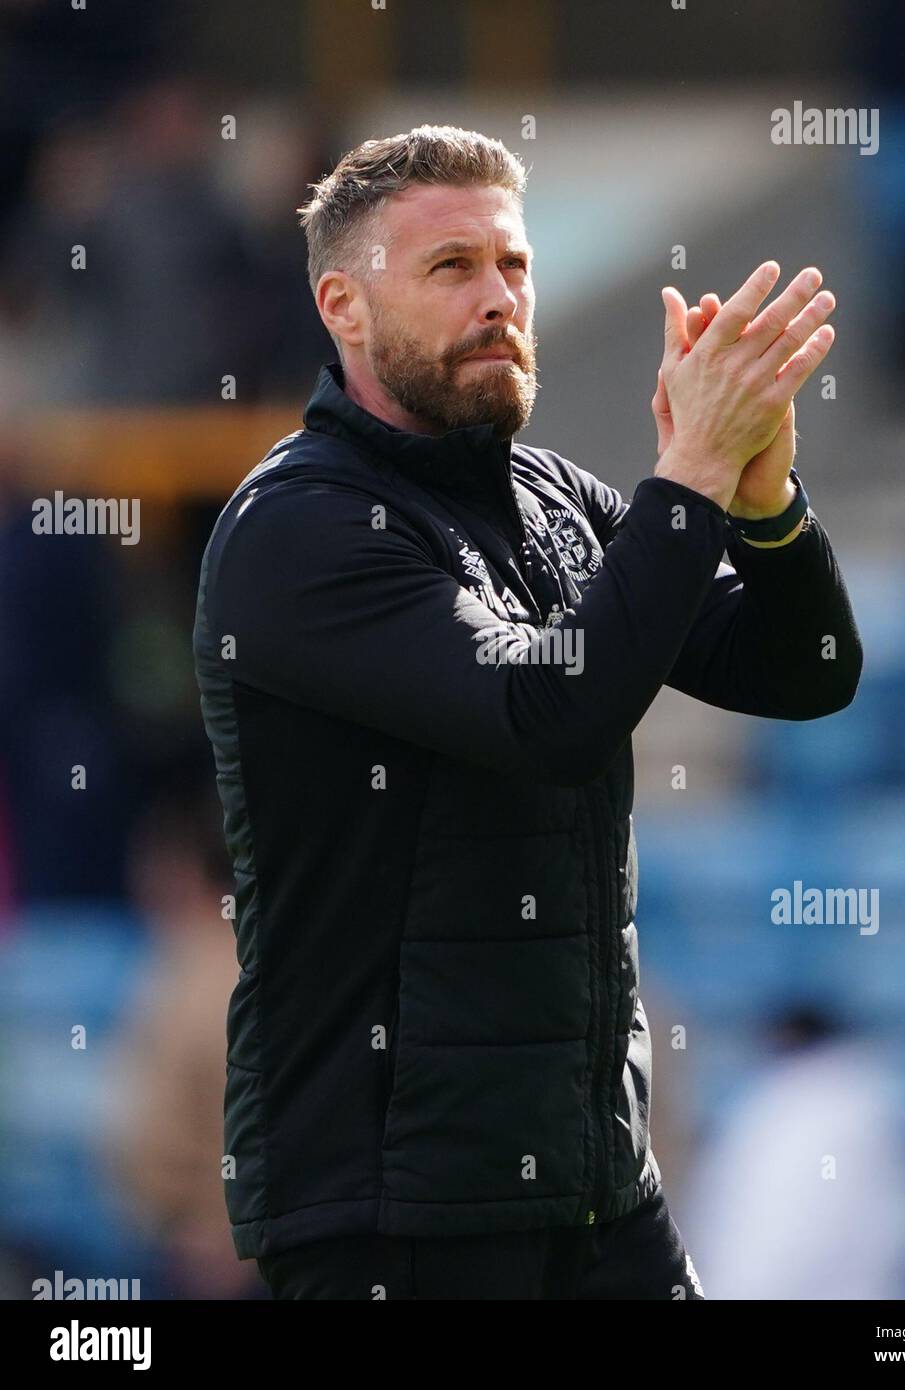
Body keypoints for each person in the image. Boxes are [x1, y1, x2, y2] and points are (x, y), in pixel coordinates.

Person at [193, 123, 862, 1300]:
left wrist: (761, 504)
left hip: (596, 1179)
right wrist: (690, 475)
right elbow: (548, 712)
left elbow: (806, 667)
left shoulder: (554, 495)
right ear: (344, 306)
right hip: (397, 1205)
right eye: (453, 269)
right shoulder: (295, 530)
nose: (500, 297)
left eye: (514, 265)